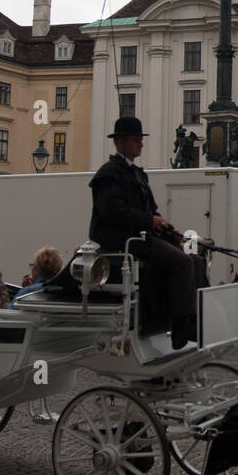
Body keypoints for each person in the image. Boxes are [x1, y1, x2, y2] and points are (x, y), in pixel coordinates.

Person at [89, 116, 198, 348]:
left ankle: (192, 317)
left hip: (143, 236)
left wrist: (169, 230)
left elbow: (151, 209)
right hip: (124, 240)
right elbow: (114, 211)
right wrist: (150, 220)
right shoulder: (108, 174)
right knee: (183, 264)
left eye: (141, 139)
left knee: (195, 259)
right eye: (136, 140)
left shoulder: (138, 174)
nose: (141, 144)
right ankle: (180, 326)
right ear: (121, 143)